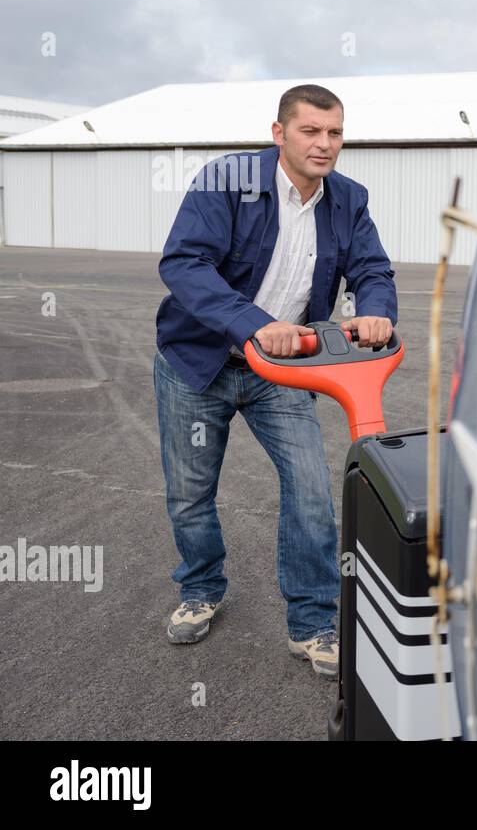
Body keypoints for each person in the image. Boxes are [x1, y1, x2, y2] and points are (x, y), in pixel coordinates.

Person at [153, 83, 397, 677]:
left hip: (284, 373)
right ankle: (202, 587)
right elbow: (183, 263)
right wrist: (256, 325)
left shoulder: (348, 199)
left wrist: (375, 306)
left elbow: (371, 266)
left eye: (335, 132)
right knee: (191, 496)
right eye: (311, 130)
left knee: (312, 492)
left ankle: (313, 624)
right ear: (279, 133)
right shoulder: (226, 181)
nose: (325, 144)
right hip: (198, 364)